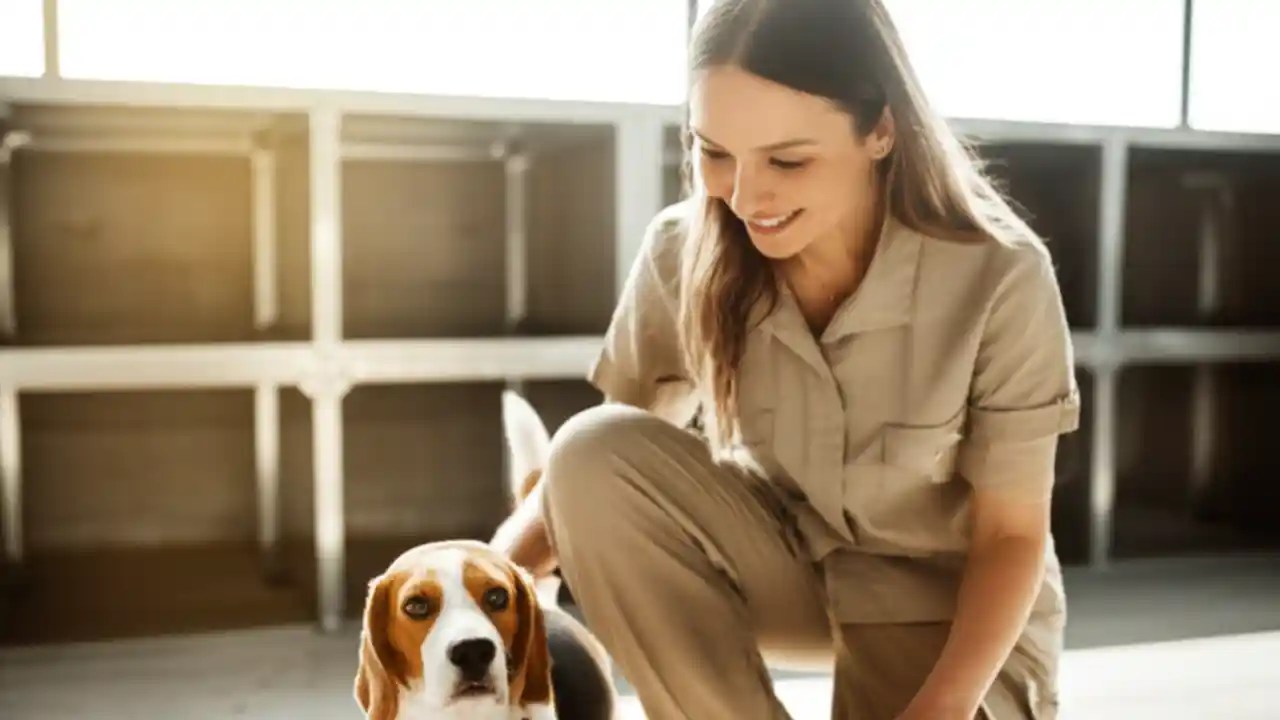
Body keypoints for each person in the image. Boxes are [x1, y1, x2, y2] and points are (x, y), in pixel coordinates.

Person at [493, 1, 1082, 718]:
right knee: (588, 447)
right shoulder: (685, 248)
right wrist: (484, 582)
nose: (743, 197)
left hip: (949, 603)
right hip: (784, 568)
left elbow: (1011, 537)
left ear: (882, 130)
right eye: (713, 152)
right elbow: (591, 480)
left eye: (788, 160)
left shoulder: (1001, 274)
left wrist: (943, 709)